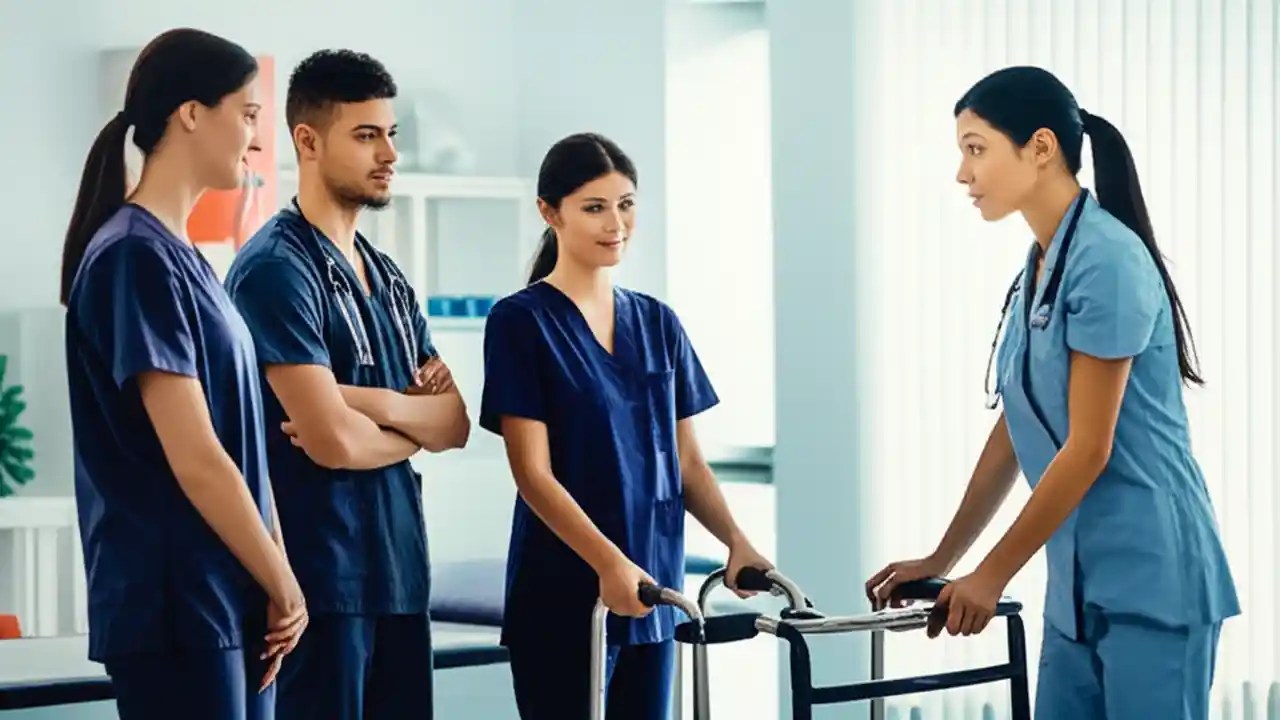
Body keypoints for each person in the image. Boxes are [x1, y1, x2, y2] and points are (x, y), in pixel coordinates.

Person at [865, 66, 1240, 720]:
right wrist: (946, 557)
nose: (962, 173)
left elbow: (1088, 448)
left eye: (975, 148)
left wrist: (991, 574)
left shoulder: (1108, 260)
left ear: (1039, 148)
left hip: (1154, 583)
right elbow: (1019, 424)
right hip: (1076, 590)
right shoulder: (1039, 266)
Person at [479, 132, 774, 719]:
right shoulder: (520, 322)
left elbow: (686, 463)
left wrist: (737, 541)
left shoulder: (658, 322)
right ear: (549, 211)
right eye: (595, 207)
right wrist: (607, 564)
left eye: (626, 203)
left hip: (653, 592)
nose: (616, 222)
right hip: (565, 594)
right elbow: (532, 475)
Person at [61, 28, 308, 720]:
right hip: (179, 608)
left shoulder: (188, 259)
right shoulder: (131, 258)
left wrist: (274, 574)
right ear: (192, 113)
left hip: (233, 603)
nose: (258, 138)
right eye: (249, 113)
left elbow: (243, 445)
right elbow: (197, 456)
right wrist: (283, 580)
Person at [223, 49, 470, 720]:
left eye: (391, 134)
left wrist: (367, 404)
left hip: (399, 580)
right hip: (320, 589)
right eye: (366, 135)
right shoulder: (276, 271)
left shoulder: (387, 277)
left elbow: (454, 424)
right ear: (307, 141)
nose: (388, 152)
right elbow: (329, 441)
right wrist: (405, 424)